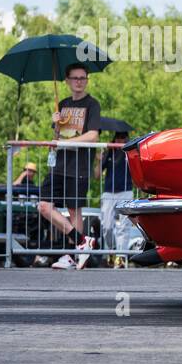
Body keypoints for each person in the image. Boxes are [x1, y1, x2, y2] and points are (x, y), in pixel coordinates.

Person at [36, 63, 101, 270]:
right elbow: (56, 138)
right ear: (67, 81)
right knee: (43, 206)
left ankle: (72, 256)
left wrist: (65, 142)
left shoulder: (92, 104)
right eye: (75, 78)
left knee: (74, 212)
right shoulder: (62, 104)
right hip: (59, 165)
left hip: (79, 166)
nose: (79, 82)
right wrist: (56, 125)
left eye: (83, 78)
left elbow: (93, 135)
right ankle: (82, 241)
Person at [96, 130, 133, 251]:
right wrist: (99, 160)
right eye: (117, 137)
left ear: (127, 139)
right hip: (109, 192)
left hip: (125, 191)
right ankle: (112, 249)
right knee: (106, 226)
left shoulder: (131, 153)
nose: (119, 140)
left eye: (123, 137)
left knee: (124, 226)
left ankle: (121, 256)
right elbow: (97, 175)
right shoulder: (109, 152)